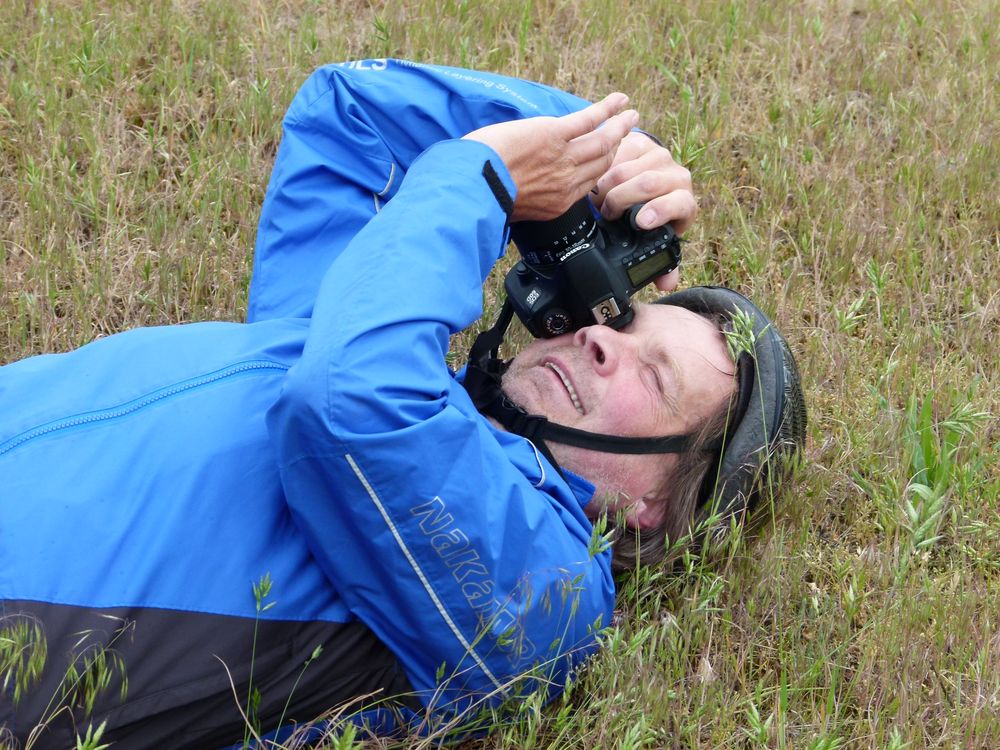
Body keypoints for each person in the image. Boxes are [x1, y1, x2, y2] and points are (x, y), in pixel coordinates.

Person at [0, 59, 805, 748]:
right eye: (620, 319)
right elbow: (348, 117)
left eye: (654, 377)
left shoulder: (552, 598)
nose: (600, 339)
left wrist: (488, 180)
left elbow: (350, 399)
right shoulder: (355, 330)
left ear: (656, 510)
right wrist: (589, 154)